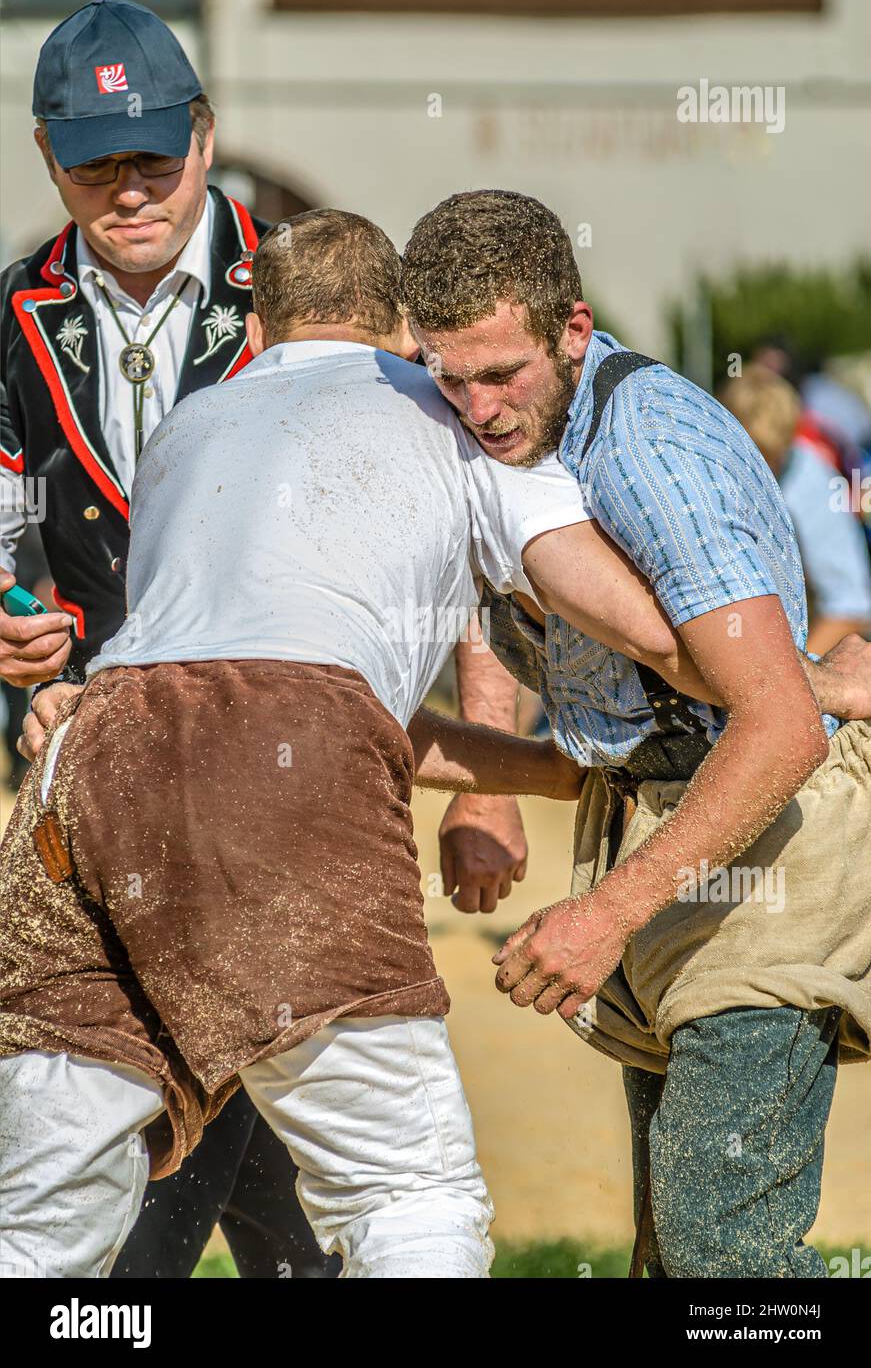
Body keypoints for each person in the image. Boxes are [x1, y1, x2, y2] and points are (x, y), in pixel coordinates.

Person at [3, 206, 709, 1278]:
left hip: (94, 751)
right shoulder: (438, 411)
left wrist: (543, 772)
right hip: (291, 742)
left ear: (255, 332)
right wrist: (762, 672)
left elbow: (198, 670)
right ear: (399, 335)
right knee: (401, 1184)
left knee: (43, 1202)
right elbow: (626, 616)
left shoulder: (187, 429)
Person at [400, 189, 871, 1278]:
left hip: (765, 842)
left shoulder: (653, 459)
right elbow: (494, 578)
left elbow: (784, 729)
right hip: (655, 818)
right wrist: (481, 782)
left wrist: (601, 916)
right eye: (450, 374)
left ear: (571, 329)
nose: (475, 406)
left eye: (500, 373)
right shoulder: (508, 430)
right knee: (676, 1257)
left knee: (725, 1259)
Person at [0, 0, 335, 1280]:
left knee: (198, 1036)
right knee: (173, 1039)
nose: (130, 189)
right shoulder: (11, 313)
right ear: (47, 156)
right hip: (76, 760)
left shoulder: (304, 289)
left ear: (206, 133)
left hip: (273, 754)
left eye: (154, 154)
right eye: (95, 162)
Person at [719, 363, 871, 654]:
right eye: (754, 459)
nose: (765, 472)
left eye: (773, 460)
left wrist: (793, 680)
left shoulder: (811, 478)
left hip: (797, 645)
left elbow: (850, 607)